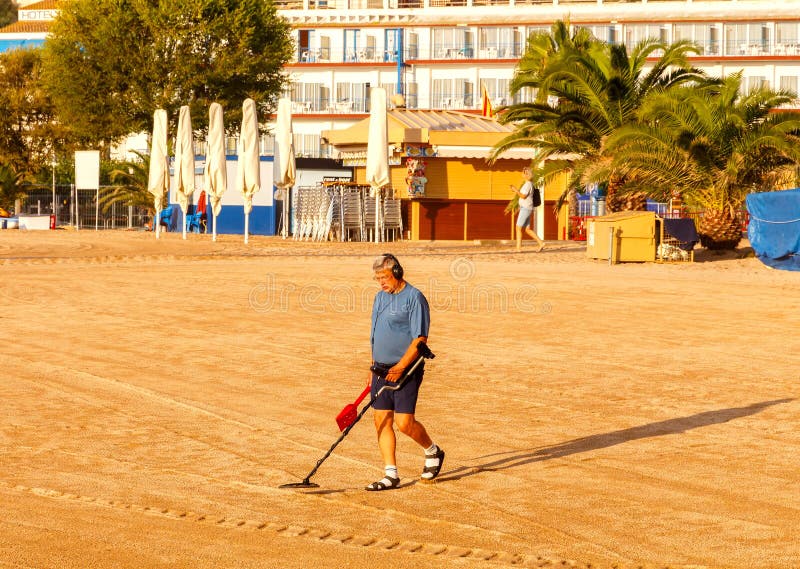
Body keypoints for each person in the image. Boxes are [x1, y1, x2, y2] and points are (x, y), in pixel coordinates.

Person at [365, 253, 444, 491]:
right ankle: (390, 474)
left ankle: (433, 452)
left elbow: (420, 339)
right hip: (380, 369)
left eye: (385, 277)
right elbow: (375, 333)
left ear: (397, 273)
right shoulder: (379, 297)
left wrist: (400, 366)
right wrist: (371, 364)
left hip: (407, 369)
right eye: (377, 278)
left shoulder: (414, 298)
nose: (381, 282)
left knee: (403, 422)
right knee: (381, 420)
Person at [509, 166, 545, 252]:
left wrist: (515, 190)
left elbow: (523, 196)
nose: (522, 174)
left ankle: (518, 248)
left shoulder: (528, 184)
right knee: (527, 229)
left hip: (526, 208)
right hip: (527, 208)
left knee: (518, 228)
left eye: (523, 172)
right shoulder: (529, 184)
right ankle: (541, 243)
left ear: (526, 175)